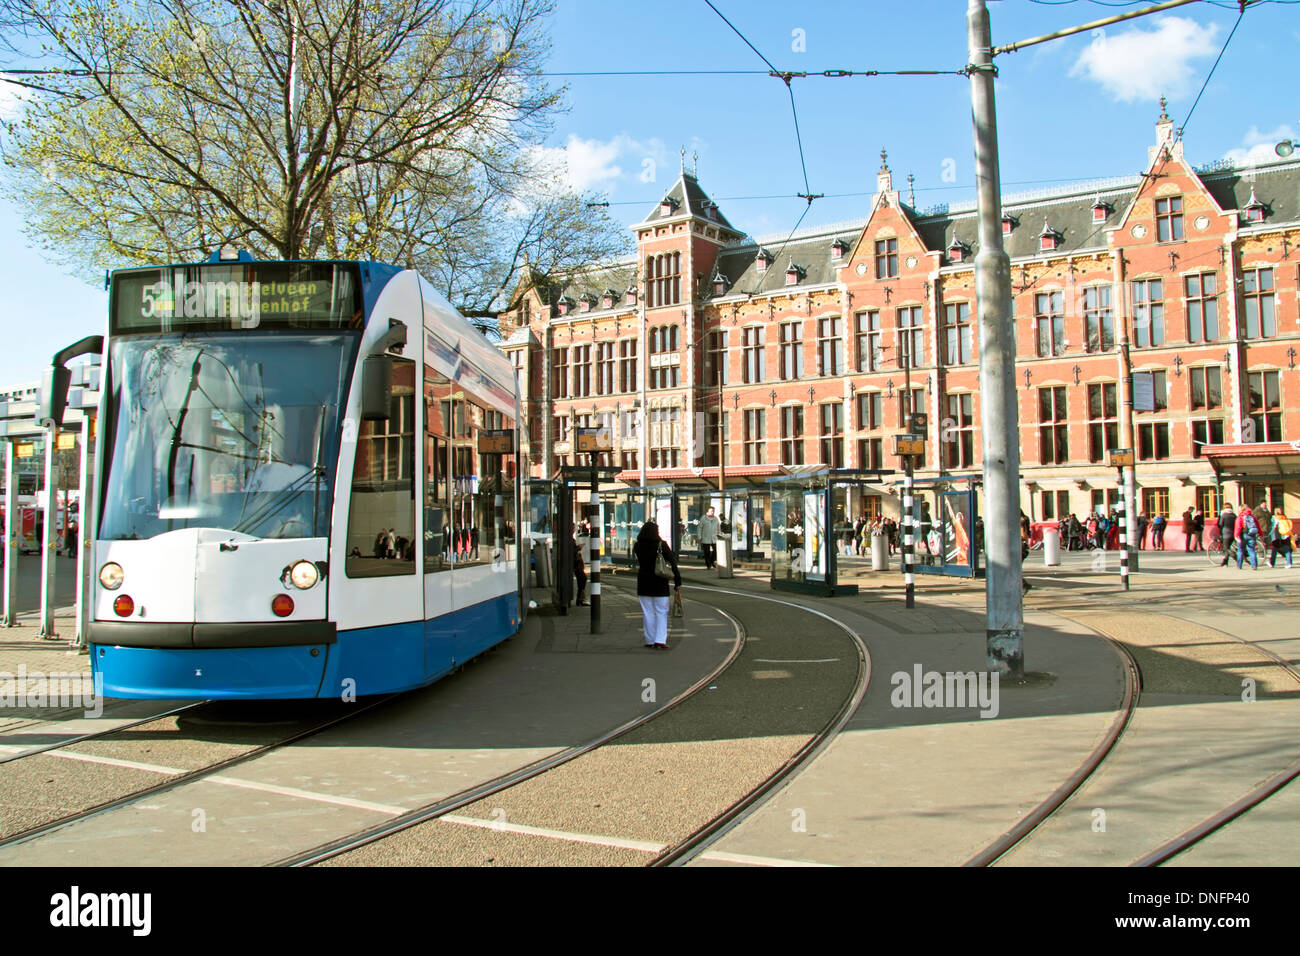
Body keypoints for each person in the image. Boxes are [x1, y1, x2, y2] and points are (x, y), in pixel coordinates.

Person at [634, 521, 680, 649]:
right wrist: (677, 582)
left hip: (643, 582)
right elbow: (673, 563)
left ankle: (649, 640)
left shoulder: (638, 545)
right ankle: (660, 639)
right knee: (661, 612)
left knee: (647, 612)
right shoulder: (661, 545)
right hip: (660, 582)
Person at [573, 536, 588, 605]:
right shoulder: (568, 539)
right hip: (575, 565)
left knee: (582, 579)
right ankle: (580, 599)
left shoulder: (570, 539)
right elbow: (571, 551)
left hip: (576, 564)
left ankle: (580, 599)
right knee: (583, 578)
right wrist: (579, 547)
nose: (573, 530)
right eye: (572, 528)